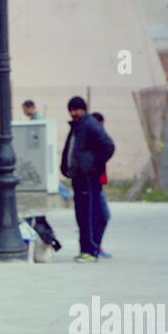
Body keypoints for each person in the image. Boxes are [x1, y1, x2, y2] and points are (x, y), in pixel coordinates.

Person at [59, 96, 115, 263]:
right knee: (82, 215)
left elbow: (108, 145)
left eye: (76, 109)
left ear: (83, 109)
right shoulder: (77, 127)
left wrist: (94, 165)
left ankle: (91, 251)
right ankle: (85, 249)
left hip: (88, 178)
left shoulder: (90, 124)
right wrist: (65, 167)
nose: (73, 113)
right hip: (78, 177)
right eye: (71, 110)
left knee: (90, 215)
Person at [91, 111, 112, 258]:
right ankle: (94, 246)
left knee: (101, 216)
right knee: (102, 215)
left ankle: (95, 246)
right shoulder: (91, 142)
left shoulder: (99, 141)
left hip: (98, 184)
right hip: (93, 184)